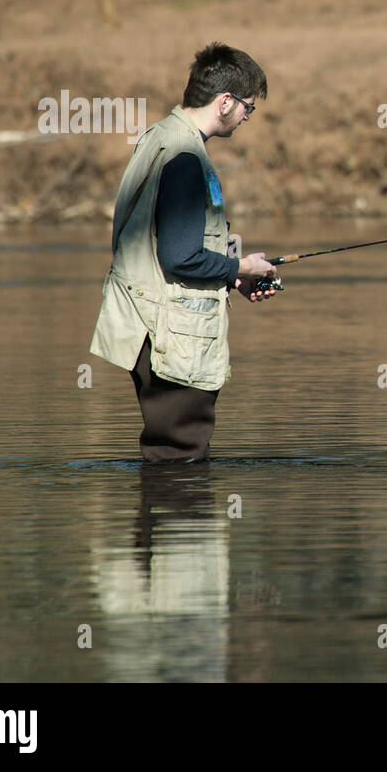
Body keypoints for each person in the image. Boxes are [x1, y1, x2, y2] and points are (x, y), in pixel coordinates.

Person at [90, 43, 280, 463]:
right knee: (181, 460)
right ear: (225, 102)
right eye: (248, 107)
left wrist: (234, 276)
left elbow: (169, 247)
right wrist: (240, 265)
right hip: (170, 336)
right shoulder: (186, 159)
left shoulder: (159, 138)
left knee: (169, 457)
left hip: (147, 326)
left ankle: (155, 523)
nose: (249, 116)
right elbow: (180, 257)